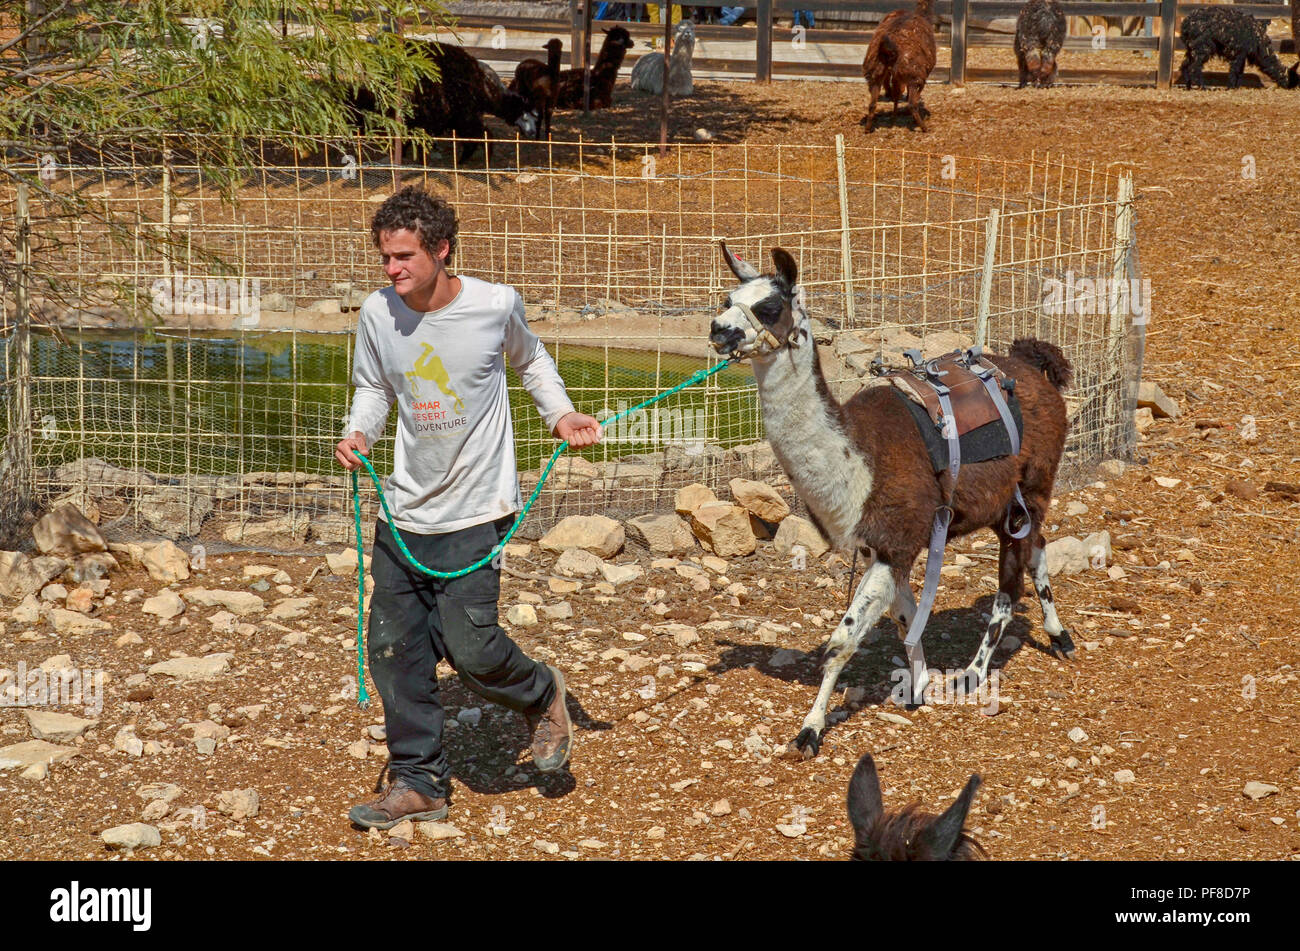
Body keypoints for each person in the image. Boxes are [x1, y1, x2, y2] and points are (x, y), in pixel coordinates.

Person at [335, 186, 602, 829]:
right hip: (404, 512)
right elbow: (373, 387)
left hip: (478, 507)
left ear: (442, 250)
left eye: (404, 257)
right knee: (393, 649)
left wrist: (560, 414)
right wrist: (359, 430)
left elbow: (532, 360)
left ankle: (542, 695)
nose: (392, 270)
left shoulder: (493, 305)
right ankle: (419, 779)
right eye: (385, 258)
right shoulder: (378, 314)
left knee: (472, 648)